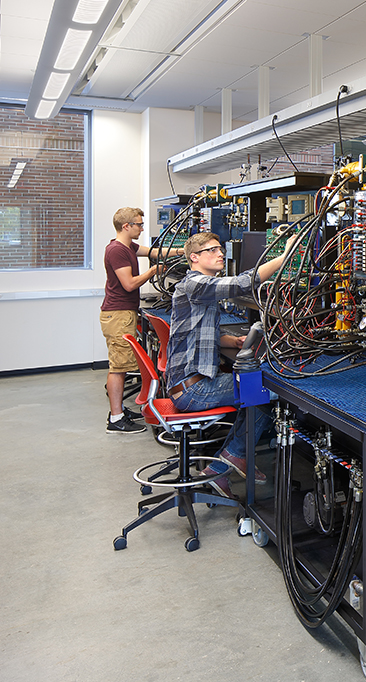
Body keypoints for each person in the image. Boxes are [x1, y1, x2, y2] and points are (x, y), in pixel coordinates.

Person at [166, 230, 296, 498]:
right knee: (263, 390)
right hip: (193, 390)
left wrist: (231, 341)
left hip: (188, 384)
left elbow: (201, 332)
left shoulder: (197, 288)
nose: (220, 254)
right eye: (211, 250)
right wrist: (284, 257)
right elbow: (241, 284)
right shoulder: (195, 285)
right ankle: (233, 457)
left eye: (220, 249)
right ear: (194, 257)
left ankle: (220, 468)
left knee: (253, 390)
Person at [101, 207, 181, 434]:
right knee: (118, 367)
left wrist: (183, 250)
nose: (142, 228)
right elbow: (129, 284)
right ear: (126, 226)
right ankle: (116, 419)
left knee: (121, 365)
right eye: (139, 224)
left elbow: (154, 252)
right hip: (117, 314)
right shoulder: (117, 250)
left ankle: (118, 412)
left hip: (122, 312)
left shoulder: (128, 246)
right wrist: (153, 272)